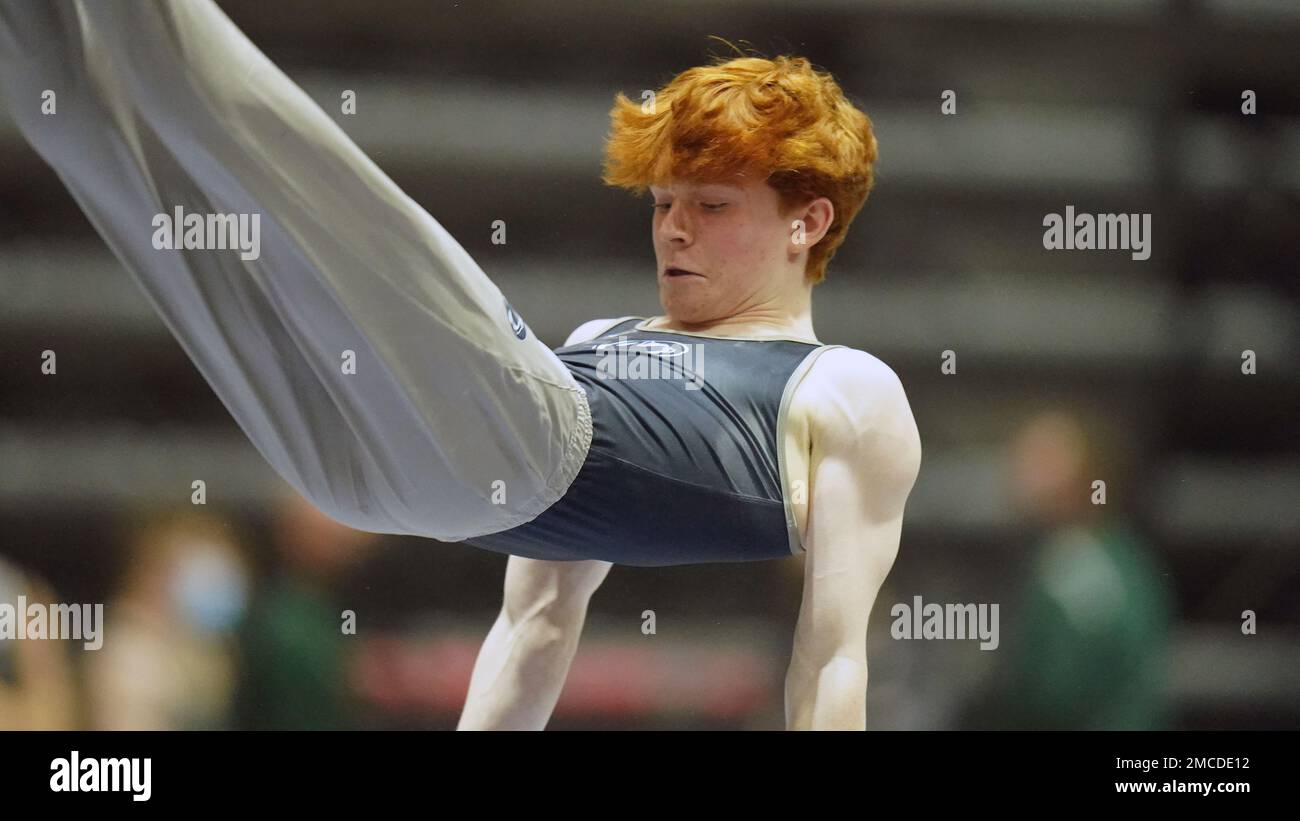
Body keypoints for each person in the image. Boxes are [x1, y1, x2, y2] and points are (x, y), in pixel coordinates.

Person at [0, 1, 922, 730]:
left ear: (808, 221)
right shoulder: (603, 332)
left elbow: (832, 654)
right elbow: (534, 626)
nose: (673, 227)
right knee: (139, 183)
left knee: (256, 155)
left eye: (712, 205)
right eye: (662, 202)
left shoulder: (850, 389)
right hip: (455, 472)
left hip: (461, 468)